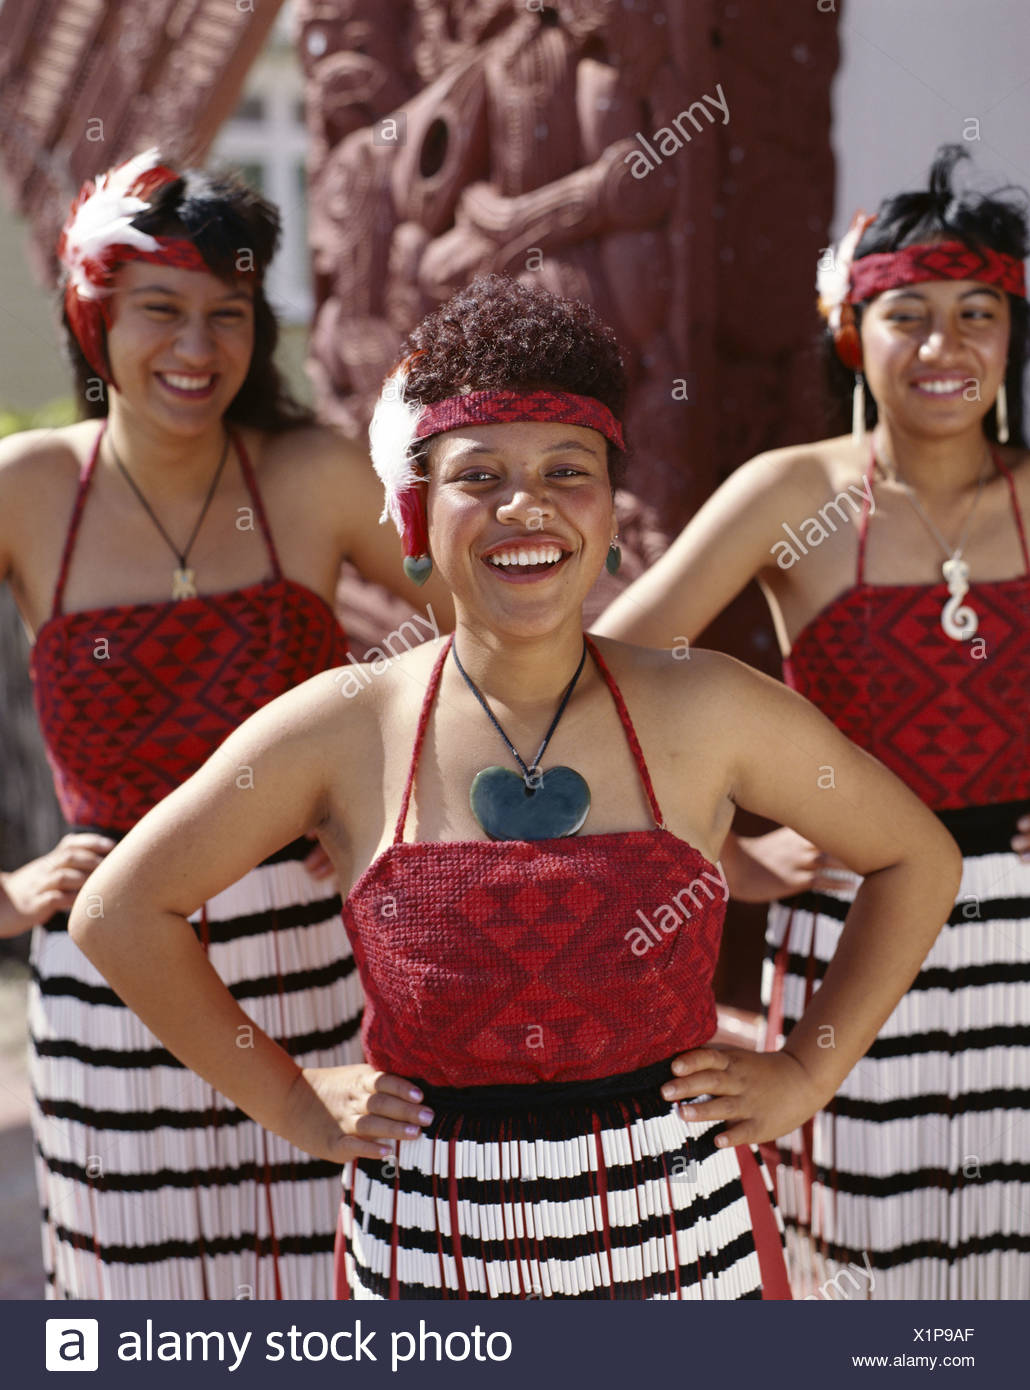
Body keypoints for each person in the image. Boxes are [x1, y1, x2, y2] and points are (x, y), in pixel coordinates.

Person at [67, 274, 960, 1300]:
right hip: (430, 1248)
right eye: (477, 474)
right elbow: (121, 908)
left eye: (565, 470)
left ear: (611, 511)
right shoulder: (344, 723)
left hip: (675, 1240)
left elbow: (916, 856)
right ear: (414, 515)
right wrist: (295, 1100)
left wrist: (807, 1069)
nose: (523, 505)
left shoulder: (711, 706)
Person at [0, 149, 452, 1299]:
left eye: (230, 313)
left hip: (314, 961)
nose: (198, 349)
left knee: (331, 1285)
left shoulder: (311, 475)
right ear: (91, 315)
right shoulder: (29, 487)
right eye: (161, 310)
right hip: (113, 981)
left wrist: (391, 808)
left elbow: (512, 644)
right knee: (138, 1303)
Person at [593, 146, 1030, 1300]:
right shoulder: (793, 494)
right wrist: (726, 855)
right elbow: (600, 675)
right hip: (849, 935)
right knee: (859, 1265)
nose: (944, 347)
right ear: (851, 328)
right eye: (909, 314)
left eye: (976, 313)